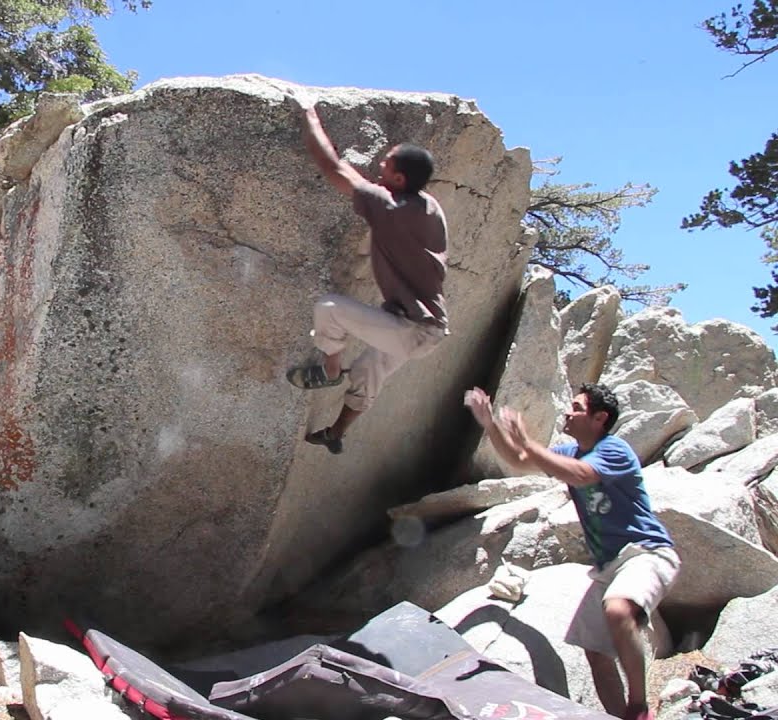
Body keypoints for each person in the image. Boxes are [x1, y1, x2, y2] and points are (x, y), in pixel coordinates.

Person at [464, 383, 680, 720]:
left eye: (577, 408)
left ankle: (639, 708)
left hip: (646, 552)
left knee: (618, 611)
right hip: (609, 565)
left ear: (600, 418)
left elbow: (581, 476)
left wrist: (527, 442)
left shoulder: (614, 450)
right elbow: (520, 460)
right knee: (595, 652)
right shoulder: (571, 451)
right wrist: (490, 424)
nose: (568, 412)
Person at [283, 92, 449, 455]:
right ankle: (335, 433)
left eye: (386, 164)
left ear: (400, 179)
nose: (379, 166)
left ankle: (329, 371)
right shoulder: (429, 206)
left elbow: (333, 167)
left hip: (411, 329)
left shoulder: (389, 206)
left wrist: (308, 112)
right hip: (428, 330)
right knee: (368, 371)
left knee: (329, 308)